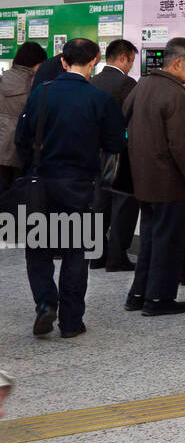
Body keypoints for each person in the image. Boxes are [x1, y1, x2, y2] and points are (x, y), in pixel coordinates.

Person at [14, 38, 127, 338]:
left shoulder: (41, 93)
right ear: (94, 62)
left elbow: (21, 138)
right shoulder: (100, 100)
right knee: (76, 253)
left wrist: (34, 166)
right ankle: (71, 322)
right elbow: (115, 146)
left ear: (63, 62)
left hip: (41, 184)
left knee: (37, 248)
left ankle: (45, 303)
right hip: (80, 185)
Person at [123, 37, 185, 316]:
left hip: (143, 177)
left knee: (151, 239)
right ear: (178, 62)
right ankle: (159, 299)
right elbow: (180, 144)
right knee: (168, 242)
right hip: (169, 182)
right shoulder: (176, 93)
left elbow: (125, 118)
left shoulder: (142, 85)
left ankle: (139, 294)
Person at [90, 39, 138, 272]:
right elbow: (132, 118)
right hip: (119, 153)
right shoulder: (126, 83)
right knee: (123, 206)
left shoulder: (92, 81)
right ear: (123, 57)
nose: (131, 66)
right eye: (131, 60)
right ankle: (117, 257)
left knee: (100, 204)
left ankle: (97, 255)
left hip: (95, 152)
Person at [0, 41, 48, 195]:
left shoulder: (2, 79)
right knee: (18, 195)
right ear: (37, 64)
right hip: (20, 148)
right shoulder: (35, 85)